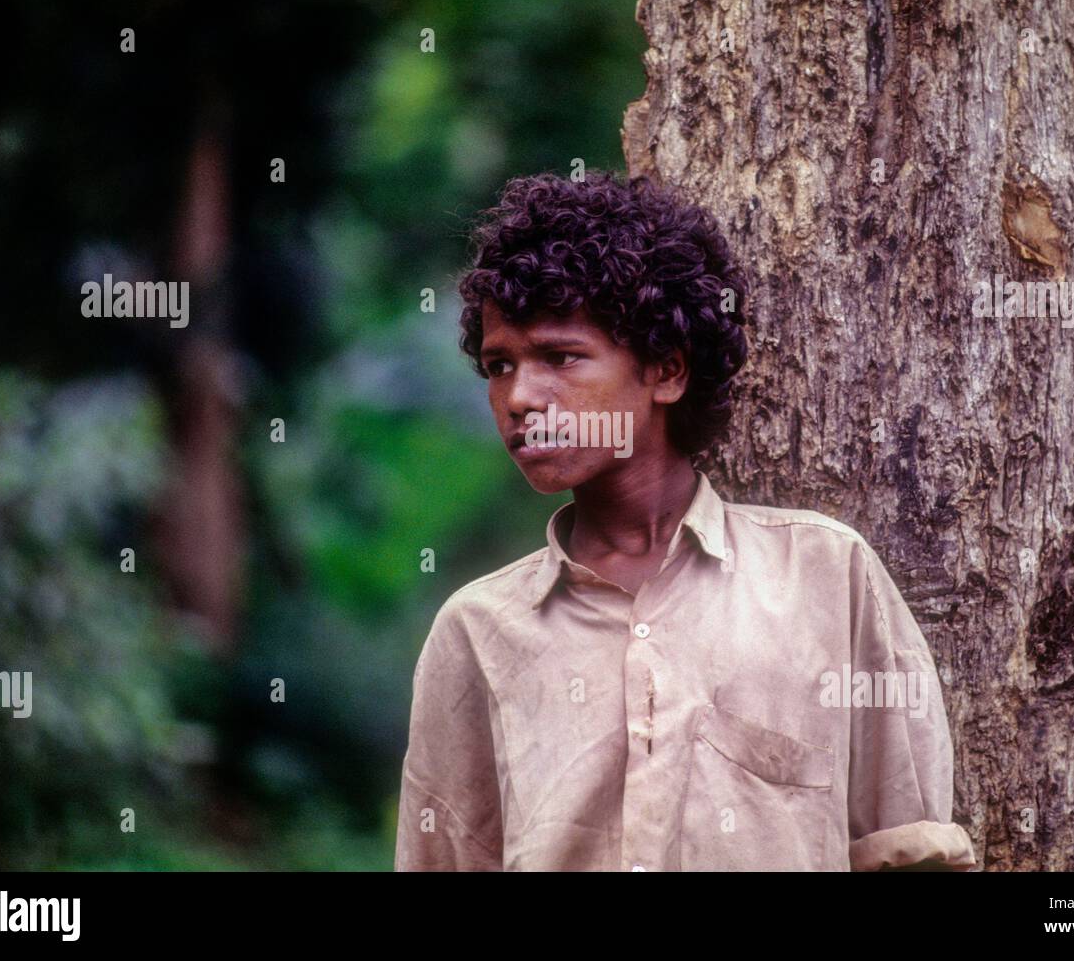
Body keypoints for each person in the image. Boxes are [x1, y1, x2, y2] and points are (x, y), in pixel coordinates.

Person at [394, 169, 977, 871]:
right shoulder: (477, 631)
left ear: (667, 372)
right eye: (499, 365)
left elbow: (908, 853)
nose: (519, 396)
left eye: (559, 356)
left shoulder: (825, 578)